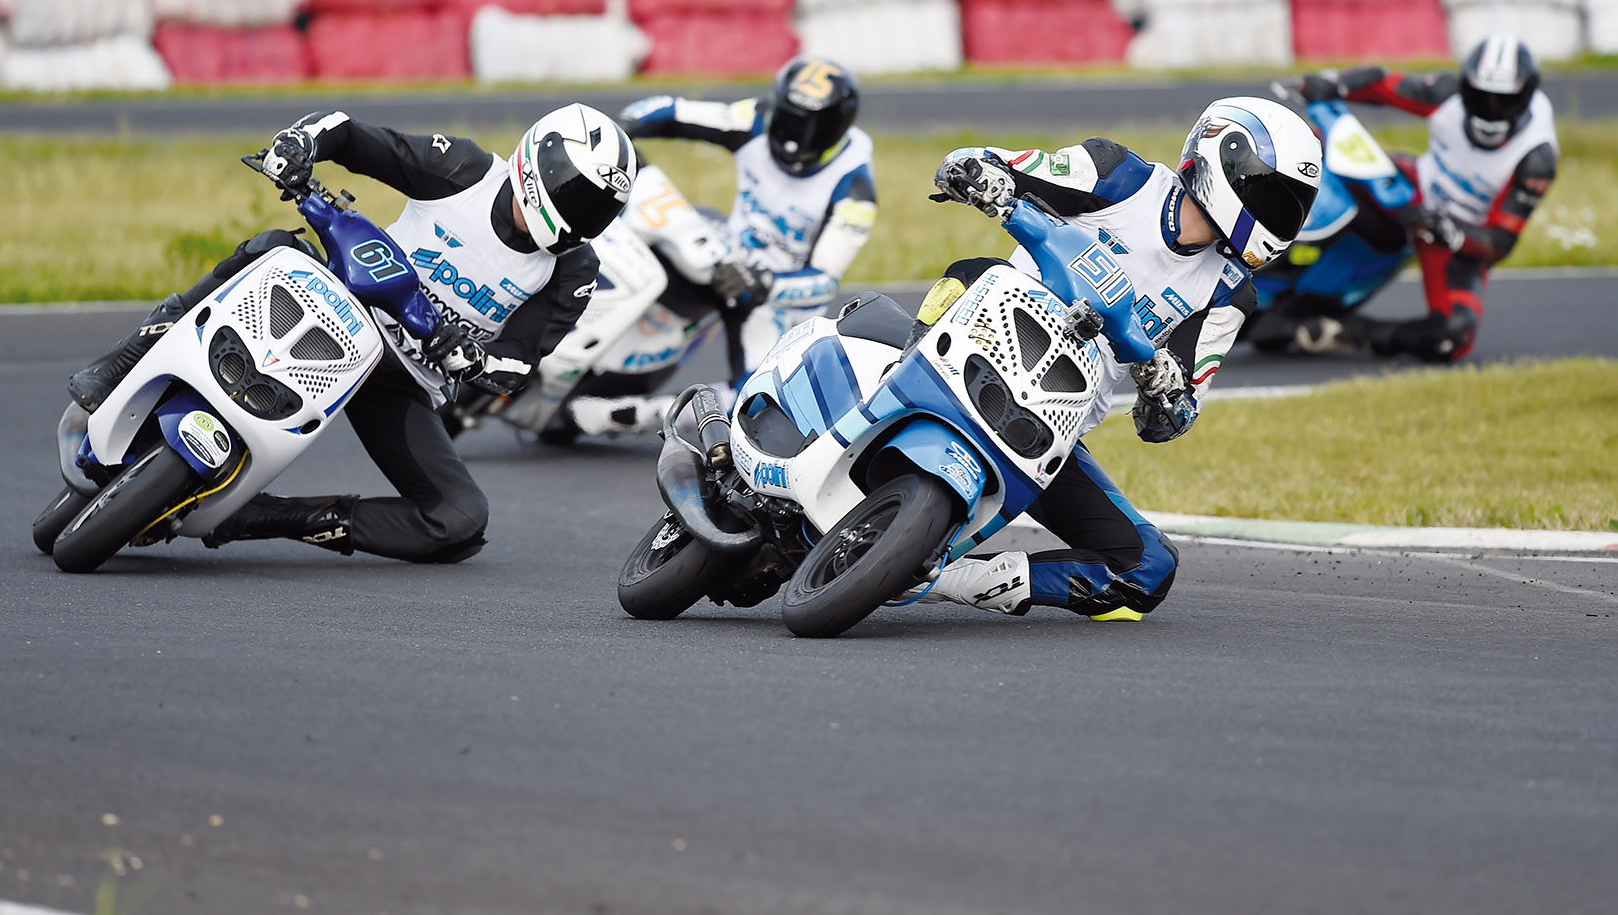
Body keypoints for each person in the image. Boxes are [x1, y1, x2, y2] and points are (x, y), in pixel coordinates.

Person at [64, 104, 636, 561]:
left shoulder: (574, 270)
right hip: (337, 299)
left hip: (402, 375)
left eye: (599, 209)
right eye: (579, 195)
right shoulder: (464, 169)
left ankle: (264, 517)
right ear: (540, 164)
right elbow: (353, 135)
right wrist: (299, 146)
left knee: (459, 520)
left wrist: (471, 359)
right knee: (276, 246)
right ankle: (126, 359)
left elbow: (518, 363)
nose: (583, 218)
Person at [916, 96, 1322, 621]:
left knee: (1148, 567)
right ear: (1228, 164)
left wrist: (1165, 390)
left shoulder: (1229, 293)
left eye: (1294, 205)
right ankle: (894, 371)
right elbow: (1007, 163)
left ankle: (945, 578)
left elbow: (1168, 420)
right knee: (972, 268)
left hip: (1044, 431)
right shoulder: (1121, 175)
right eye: (1276, 195)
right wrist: (980, 172)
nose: (1281, 215)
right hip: (974, 344)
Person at [566, 56, 876, 435]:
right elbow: (673, 111)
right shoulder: (756, 119)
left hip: (776, 302)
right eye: (790, 119)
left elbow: (824, 280)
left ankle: (643, 413)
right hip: (723, 259)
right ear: (777, 106)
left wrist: (765, 284)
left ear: (841, 127)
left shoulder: (855, 192)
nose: (797, 137)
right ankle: (566, 313)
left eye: (816, 127)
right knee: (642, 214)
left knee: (759, 413)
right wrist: (619, 130)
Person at [1295, 32, 1558, 363]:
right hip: (1415, 187)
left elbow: (1499, 242)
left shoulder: (1537, 160)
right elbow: (1380, 82)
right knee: (1315, 146)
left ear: (1527, 96)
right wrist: (1333, 85)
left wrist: (1449, 231)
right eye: (1480, 96)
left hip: (1458, 236)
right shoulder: (1446, 93)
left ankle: (1348, 331)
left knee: (1454, 336)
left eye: (1504, 101)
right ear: (1465, 87)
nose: (1491, 110)